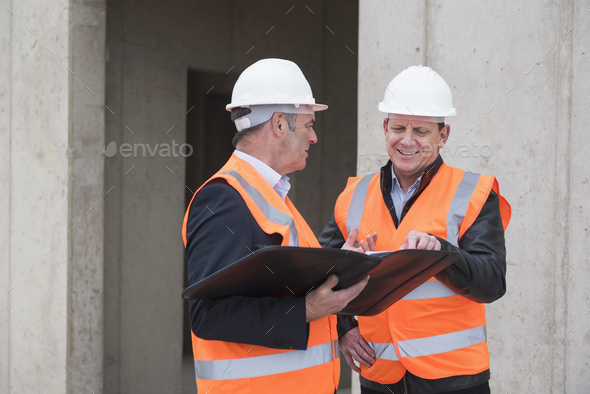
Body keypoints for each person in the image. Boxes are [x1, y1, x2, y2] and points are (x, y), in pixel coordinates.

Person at [182, 58, 373, 394]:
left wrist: (339, 267)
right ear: (280, 124)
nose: (314, 137)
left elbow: (277, 284)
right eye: (309, 124)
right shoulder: (223, 199)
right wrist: (309, 309)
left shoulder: (271, 196)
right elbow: (208, 315)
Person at [319, 65, 511, 394]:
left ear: (443, 136)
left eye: (421, 131)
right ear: (384, 128)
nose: (407, 141)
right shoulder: (353, 197)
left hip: (455, 380)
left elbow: (492, 283)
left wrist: (442, 253)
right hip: (379, 378)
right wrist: (343, 328)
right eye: (398, 128)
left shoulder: (474, 193)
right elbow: (318, 276)